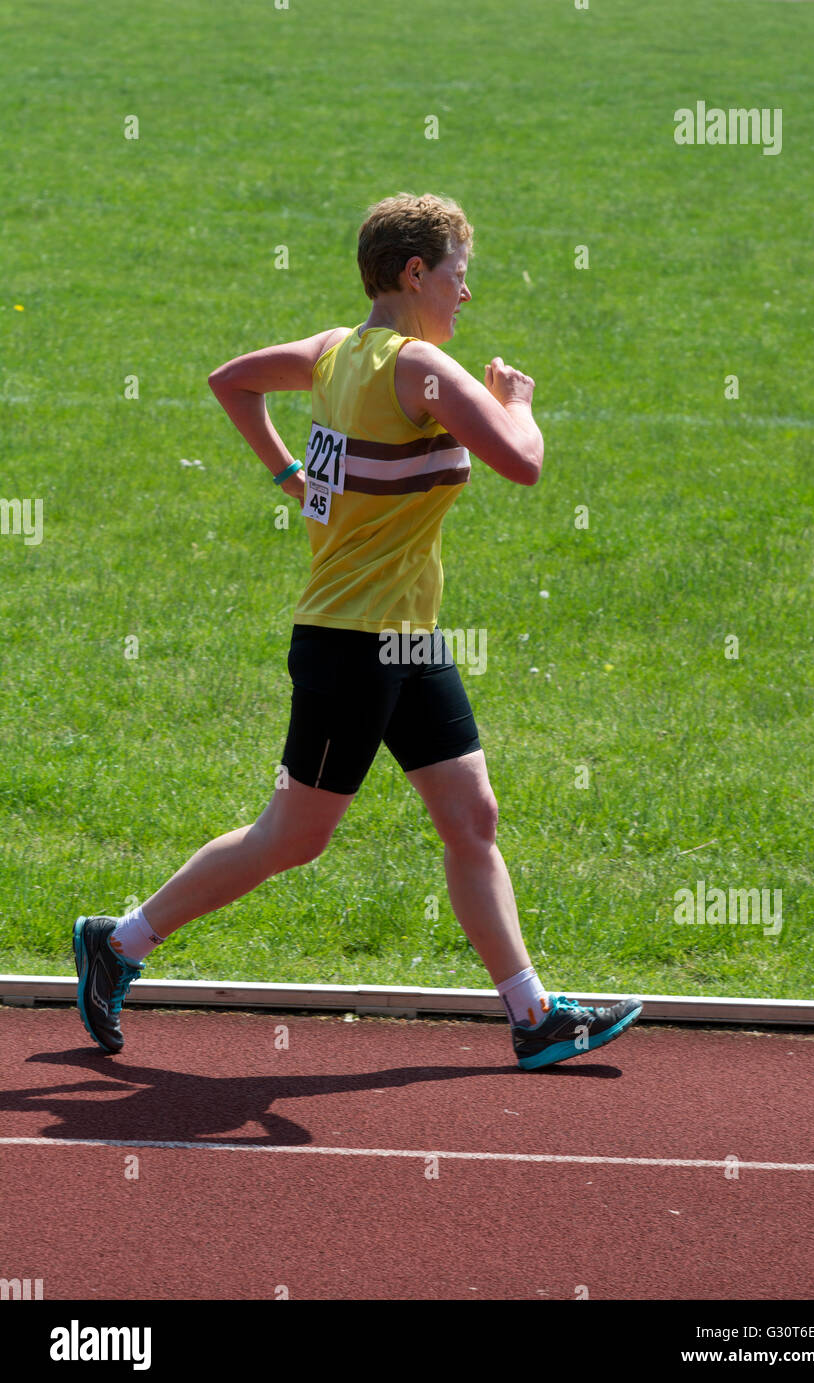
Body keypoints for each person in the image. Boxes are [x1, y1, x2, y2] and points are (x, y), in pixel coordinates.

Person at [73, 192, 642, 1069]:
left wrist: (291, 477)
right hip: (351, 643)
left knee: (472, 817)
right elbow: (523, 464)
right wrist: (518, 401)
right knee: (295, 837)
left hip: (410, 637)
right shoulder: (425, 373)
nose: (465, 294)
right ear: (416, 272)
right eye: (459, 275)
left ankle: (533, 1016)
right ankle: (120, 944)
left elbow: (231, 381)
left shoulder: (333, 351)